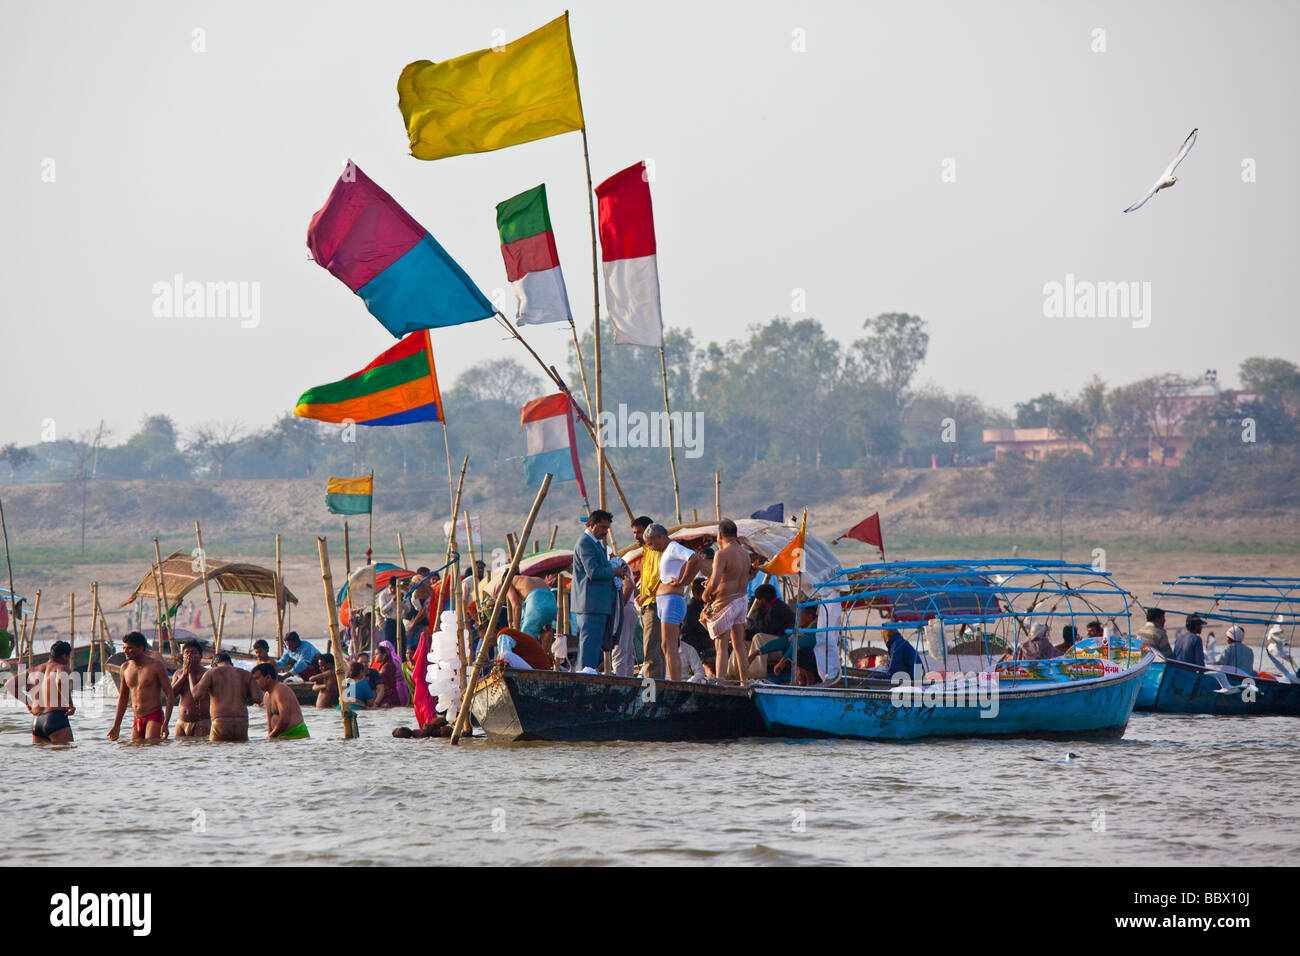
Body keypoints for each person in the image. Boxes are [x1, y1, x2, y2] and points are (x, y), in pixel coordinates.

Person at [644, 524, 704, 682]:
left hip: (671, 601)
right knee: (666, 645)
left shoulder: (673, 547)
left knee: (669, 646)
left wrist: (684, 581)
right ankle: (674, 681)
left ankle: (676, 683)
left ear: (660, 536)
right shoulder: (667, 551)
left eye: (651, 543)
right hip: (666, 601)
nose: (651, 547)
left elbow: (695, 559)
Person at [571, 510, 627, 673]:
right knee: (589, 644)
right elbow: (593, 572)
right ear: (592, 524)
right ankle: (584, 678)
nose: (605, 532)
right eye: (602, 527)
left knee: (591, 645)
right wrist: (614, 571)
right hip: (591, 604)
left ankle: (584, 674)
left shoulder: (595, 543)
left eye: (607, 528)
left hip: (597, 604)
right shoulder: (585, 543)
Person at [701, 518, 751, 683]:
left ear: (719, 535)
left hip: (725, 602)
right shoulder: (745, 555)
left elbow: (715, 582)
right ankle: (745, 681)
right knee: (739, 645)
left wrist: (705, 594)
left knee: (720, 643)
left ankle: (720, 679)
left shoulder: (721, 554)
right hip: (742, 600)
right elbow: (734, 578)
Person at [109, 632, 174, 742]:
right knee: (135, 751)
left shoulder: (156, 666)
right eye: (124, 648)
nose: (125, 651)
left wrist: (166, 722)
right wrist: (116, 725)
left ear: (141, 648)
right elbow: (123, 699)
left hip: (154, 716)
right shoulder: (125, 668)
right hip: (137, 718)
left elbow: (170, 694)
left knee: (151, 747)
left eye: (130, 648)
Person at [189, 652, 262, 741]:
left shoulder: (211, 672)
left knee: (217, 752)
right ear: (231, 664)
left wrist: (190, 673)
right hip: (242, 723)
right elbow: (258, 698)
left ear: (214, 665)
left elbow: (196, 695)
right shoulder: (246, 674)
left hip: (221, 722)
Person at [631, 515, 664, 679]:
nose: (636, 536)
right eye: (635, 533)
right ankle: (658, 689)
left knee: (650, 652)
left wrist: (646, 594)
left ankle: (650, 694)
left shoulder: (655, 549)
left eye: (639, 532)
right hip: (647, 604)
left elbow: (658, 574)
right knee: (655, 650)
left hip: (653, 603)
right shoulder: (646, 550)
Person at [27, 641, 75, 744]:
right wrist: (69, 703)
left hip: (37, 721)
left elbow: (10, 684)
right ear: (64, 656)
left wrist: (28, 702)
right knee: (67, 757)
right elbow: (60, 680)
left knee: (43, 759)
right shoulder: (62, 667)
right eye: (68, 657)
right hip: (55, 718)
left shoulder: (36, 669)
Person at [251, 663, 309, 738]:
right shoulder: (266, 696)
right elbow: (269, 722)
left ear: (268, 677)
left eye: (257, 678)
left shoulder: (280, 690)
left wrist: (271, 737)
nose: (255, 682)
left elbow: (285, 720)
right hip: (281, 737)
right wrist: (269, 738)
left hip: (296, 736)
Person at [170, 639, 211, 738]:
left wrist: (191, 673)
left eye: (194, 653)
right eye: (187, 653)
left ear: (201, 656)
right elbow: (171, 695)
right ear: (182, 656)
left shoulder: (207, 674)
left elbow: (197, 694)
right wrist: (184, 675)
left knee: (198, 750)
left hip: (201, 722)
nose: (190, 655)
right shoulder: (178, 674)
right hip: (181, 722)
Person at [681, 580, 713, 665]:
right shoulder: (691, 609)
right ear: (697, 593)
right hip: (694, 644)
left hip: (702, 641)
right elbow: (700, 629)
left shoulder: (703, 607)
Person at [370, 641, 407, 707]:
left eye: (377, 654)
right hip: (387, 697)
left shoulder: (387, 667)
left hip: (388, 700)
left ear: (384, 655)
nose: (374, 656)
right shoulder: (384, 665)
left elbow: (378, 678)